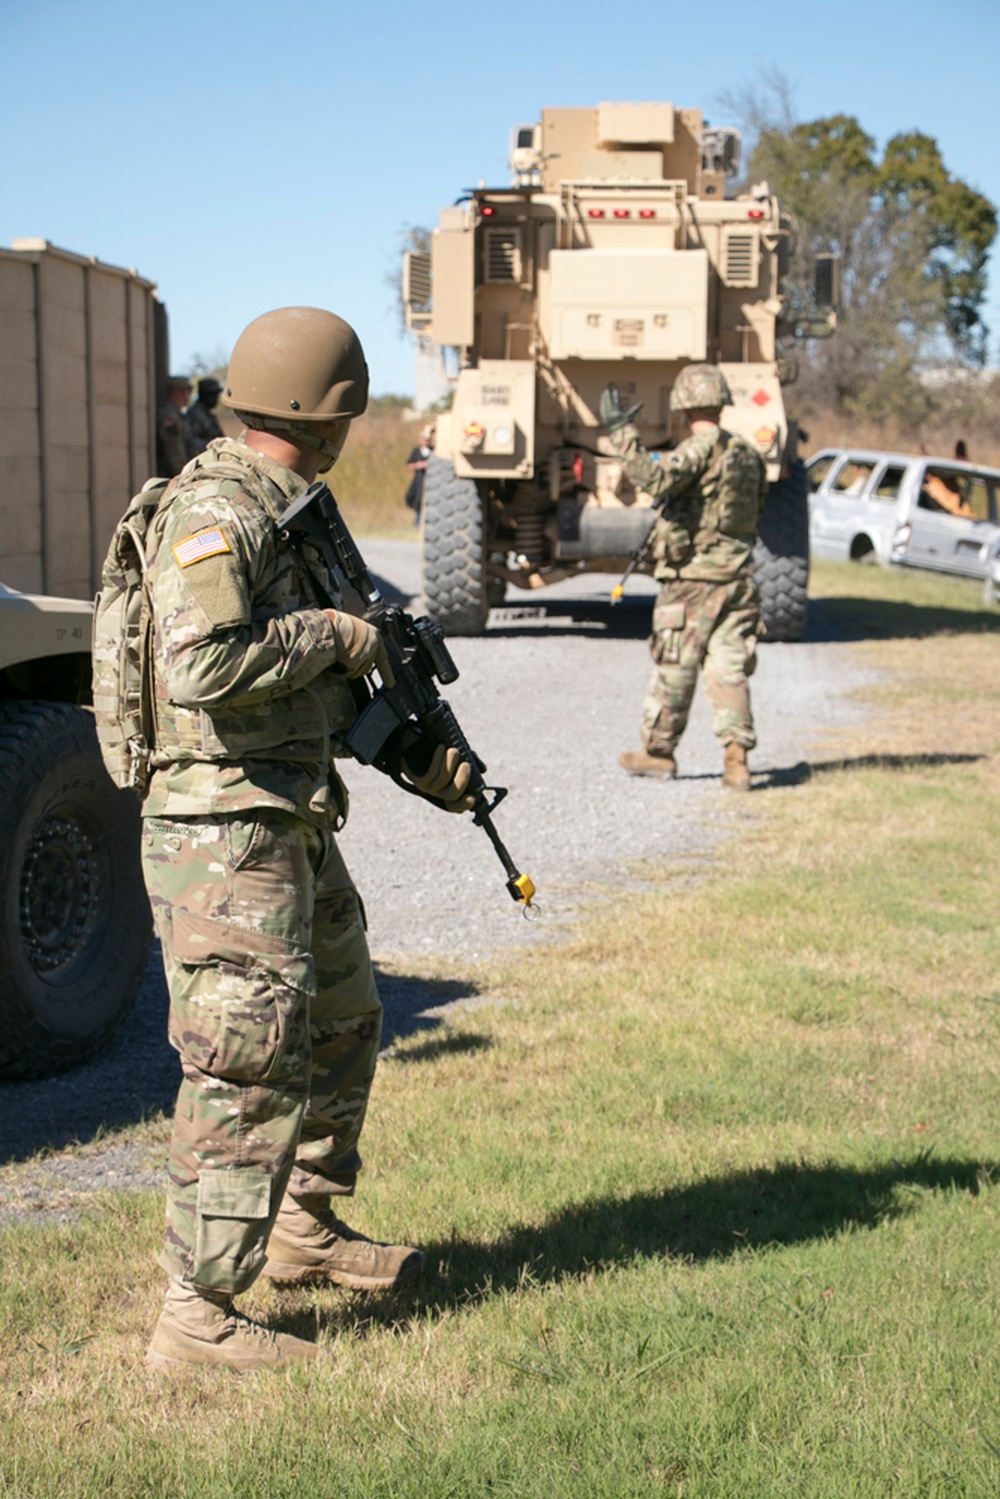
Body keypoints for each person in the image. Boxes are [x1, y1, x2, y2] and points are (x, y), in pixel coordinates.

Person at [138, 307, 475, 1372]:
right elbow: (202, 666)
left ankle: (305, 1228)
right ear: (329, 414)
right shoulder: (216, 508)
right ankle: (194, 1315)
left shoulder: (287, 509)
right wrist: (334, 631)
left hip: (284, 815)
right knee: (244, 1064)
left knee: (340, 1017)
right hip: (221, 835)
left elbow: (309, 692)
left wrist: (421, 760)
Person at [600, 363, 768, 793]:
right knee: (729, 668)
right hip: (738, 579)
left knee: (675, 666)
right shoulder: (747, 454)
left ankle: (658, 753)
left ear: (683, 404)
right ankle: (737, 761)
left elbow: (654, 477)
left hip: (693, 583)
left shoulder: (699, 448)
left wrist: (623, 434)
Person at [156, 375, 193, 477]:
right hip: (171, 477)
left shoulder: (177, 415)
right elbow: (174, 450)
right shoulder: (169, 416)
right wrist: (184, 476)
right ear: (184, 392)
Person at [185, 376, 224, 456]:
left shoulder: (207, 414)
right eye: (212, 395)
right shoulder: (195, 414)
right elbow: (193, 444)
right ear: (203, 395)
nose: (215, 399)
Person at [404, 425, 435, 521]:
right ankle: (417, 522)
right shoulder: (416, 451)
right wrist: (420, 465)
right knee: (417, 502)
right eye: (424, 439)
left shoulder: (433, 451)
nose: (425, 441)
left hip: (430, 480)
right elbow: (410, 465)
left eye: (427, 440)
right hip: (418, 480)